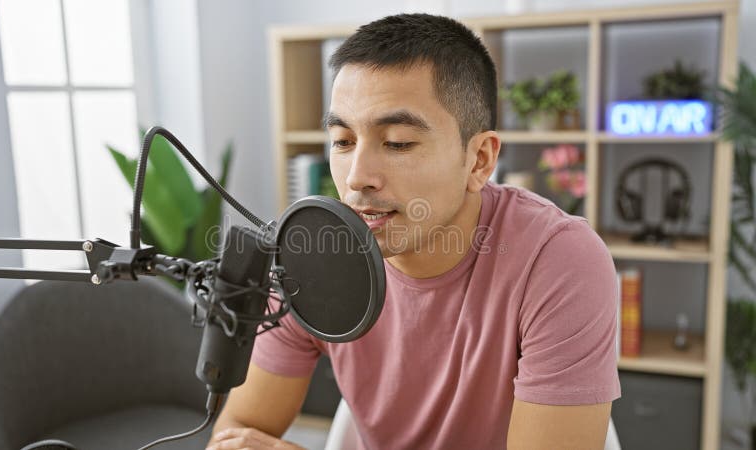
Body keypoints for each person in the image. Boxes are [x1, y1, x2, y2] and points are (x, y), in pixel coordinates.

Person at [206, 13, 620, 450]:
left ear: (478, 160)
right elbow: (235, 436)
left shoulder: (558, 261)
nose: (357, 177)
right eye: (343, 141)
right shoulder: (310, 257)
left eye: (398, 142)